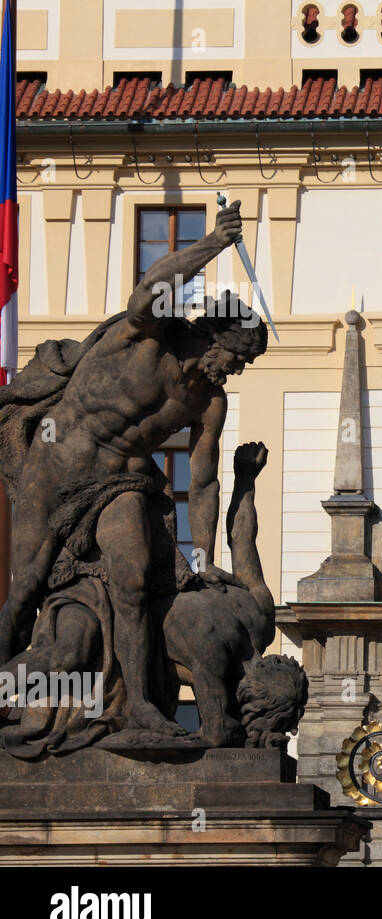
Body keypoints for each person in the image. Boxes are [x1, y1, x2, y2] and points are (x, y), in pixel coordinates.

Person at [0, 200, 267, 736]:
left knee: (134, 577)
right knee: (25, 587)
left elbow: (205, 479)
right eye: (234, 356)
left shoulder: (208, 401)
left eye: (242, 364)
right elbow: (150, 288)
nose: (234, 369)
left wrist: (206, 556)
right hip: (57, 468)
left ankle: (141, 703)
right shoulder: (146, 336)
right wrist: (215, 241)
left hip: (125, 482)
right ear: (212, 335)